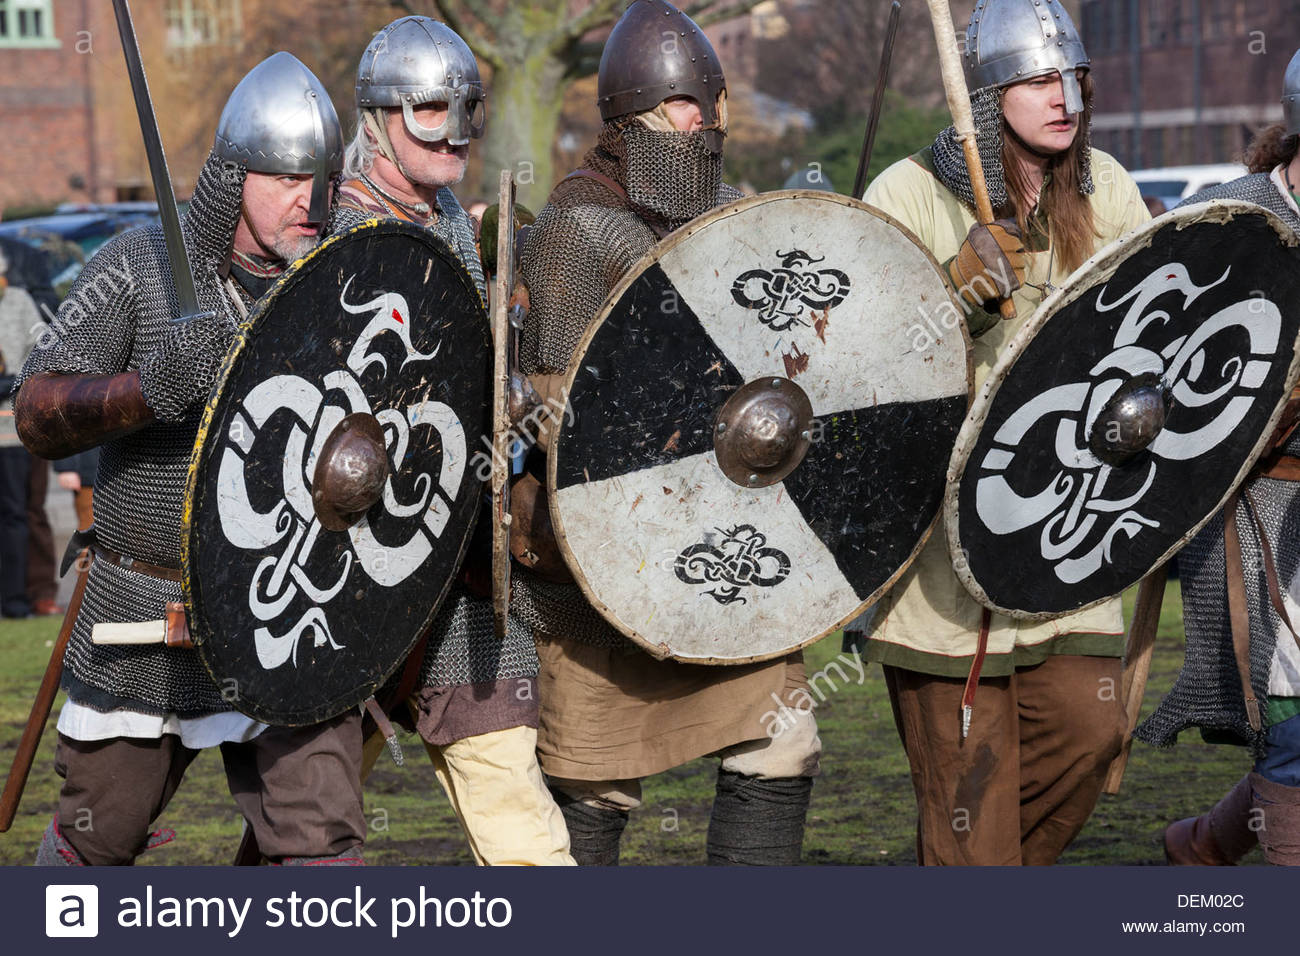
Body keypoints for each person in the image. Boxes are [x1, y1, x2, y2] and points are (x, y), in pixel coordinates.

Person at [16, 53, 368, 866]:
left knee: (321, 847)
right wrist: (150, 389)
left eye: (321, 179)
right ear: (233, 176)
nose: (309, 202)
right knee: (97, 843)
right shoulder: (139, 266)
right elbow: (37, 409)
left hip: (290, 602)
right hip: (148, 605)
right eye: (285, 178)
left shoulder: (345, 272)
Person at [516, 0, 821, 866]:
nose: (709, 122)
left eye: (712, 101)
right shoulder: (579, 225)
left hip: (731, 540)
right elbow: (552, 407)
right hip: (612, 556)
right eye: (688, 105)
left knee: (781, 740)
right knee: (594, 781)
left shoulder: (732, 215)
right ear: (634, 121)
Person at [859, 0, 1149, 865]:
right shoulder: (905, 195)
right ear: (985, 95)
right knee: (967, 805)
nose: (1062, 95)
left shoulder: (1110, 188)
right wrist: (952, 297)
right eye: (1035, 79)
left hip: (1070, 533)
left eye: (1071, 77)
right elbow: (862, 378)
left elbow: (1149, 338)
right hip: (945, 565)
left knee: (1092, 735)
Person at [334, 15, 573, 866]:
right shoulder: (323, 237)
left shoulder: (463, 229)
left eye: (467, 106)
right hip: (342, 590)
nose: (457, 129)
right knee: (302, 835)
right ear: (376, 117)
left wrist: (508, 384)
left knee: (519, 822)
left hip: (460, 582)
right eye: (430, 109)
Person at [1137, 48, 1300, 868]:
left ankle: (1202, 845)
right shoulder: (1225, 221)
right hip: (1255, 503)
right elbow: (1148, 386)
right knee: (1292, 720)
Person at [0, 243, 44, 618]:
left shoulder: (18, 301)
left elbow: (42, 351)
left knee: (15, 514)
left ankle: (15, 600)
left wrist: (14, 382)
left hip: (9, 433)